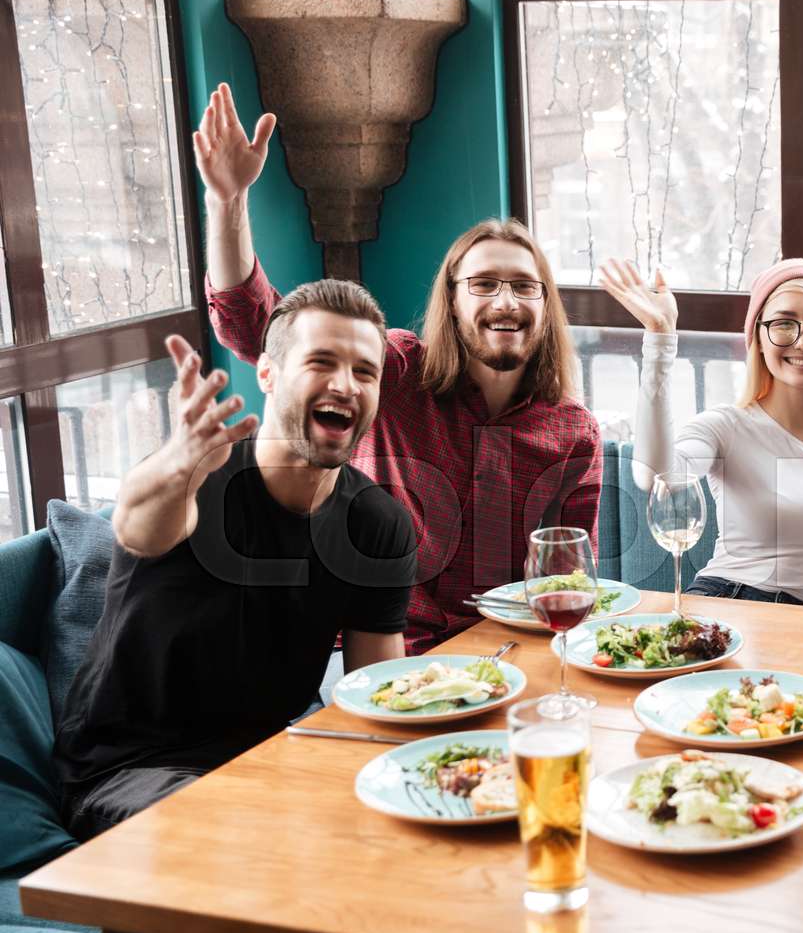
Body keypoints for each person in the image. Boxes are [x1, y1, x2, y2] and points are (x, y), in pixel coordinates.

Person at [195, 82, 601, 652]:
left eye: (524, 288)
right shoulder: (395, 368)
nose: (505, 302)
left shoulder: (572, 431)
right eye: (483, 284)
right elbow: (255, 324)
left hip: (505, 656)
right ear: (453, 301)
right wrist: (228, 200)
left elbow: (572, 577)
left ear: (545, 306)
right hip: (372, 648)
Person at [53, 282, 416, 840]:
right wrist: (177, 462)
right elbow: (139, 528)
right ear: (267, 374)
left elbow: (374, 699)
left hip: (267, 764)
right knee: (249, 838)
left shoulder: (377, 523)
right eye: (321, 361)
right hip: (132, 771)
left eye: (365, 372)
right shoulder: (198, 478)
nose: (345, 384)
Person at [598, 257, 803, 605]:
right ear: (759, 339)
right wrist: (660, 339)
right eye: (784, 324)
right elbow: (654, 476)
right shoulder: (725, 426)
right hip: (724, 600)